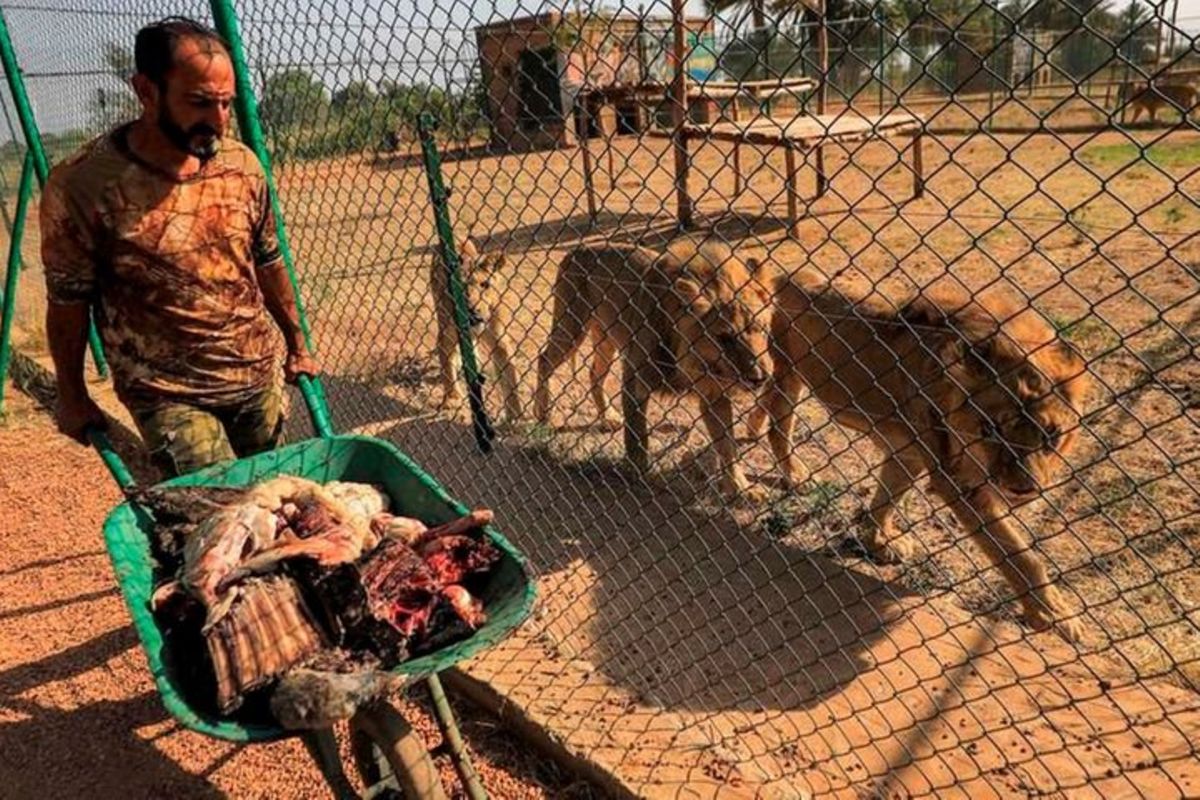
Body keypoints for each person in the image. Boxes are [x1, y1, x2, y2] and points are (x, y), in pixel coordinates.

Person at [39, 16, 318, 478]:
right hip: (168, 391)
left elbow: (267, 259)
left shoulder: (241, 167)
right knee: (222, 512)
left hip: (252, 374)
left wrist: (297, 342)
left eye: (227, 105)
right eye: (200, 103)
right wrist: (72, 395)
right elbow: (68, 300)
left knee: (276, 502)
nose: (219, 121)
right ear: (146, 91)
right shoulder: (83, 186)